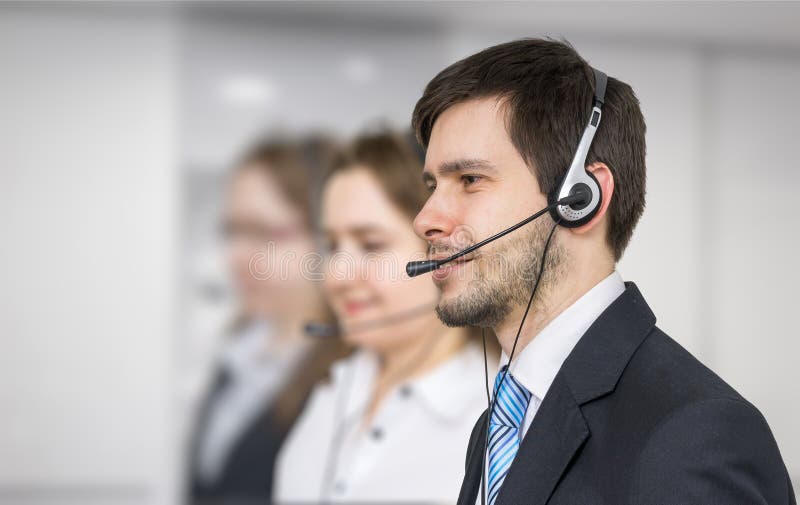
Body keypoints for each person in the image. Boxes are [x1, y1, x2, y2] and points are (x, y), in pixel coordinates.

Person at [409, 39, 796, 504]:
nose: (426, 218)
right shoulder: (500, 425)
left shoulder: (694, 434)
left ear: (580, 199)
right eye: (433, 185)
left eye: (470, 180)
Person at [273, 131, 495, 504]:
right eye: (332, 246)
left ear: (443, 252)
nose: (337, 275)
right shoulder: (335, 383)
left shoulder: (491, 419)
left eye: (371, 245)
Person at [187, 137, 347, 505]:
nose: (237, 256)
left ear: (326, 240)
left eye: (263, 232)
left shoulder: (348, 377)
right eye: (233, 232)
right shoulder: (239, 348)